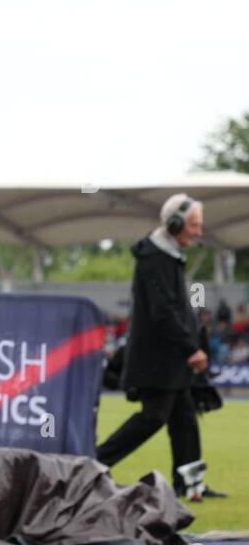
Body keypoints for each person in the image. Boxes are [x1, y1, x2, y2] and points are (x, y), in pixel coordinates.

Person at [96, 194, 222, 501]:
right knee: (153, 417)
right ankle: (93, 465)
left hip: (169, 360)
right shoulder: (155, 258)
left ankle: (190, 483)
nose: (198, 231)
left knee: (185, 420)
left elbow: (174, 309)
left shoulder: (169, 256)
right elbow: (163, 311)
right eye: (193, 225)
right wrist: (190, 348)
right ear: (174, 223)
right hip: (158, 360)